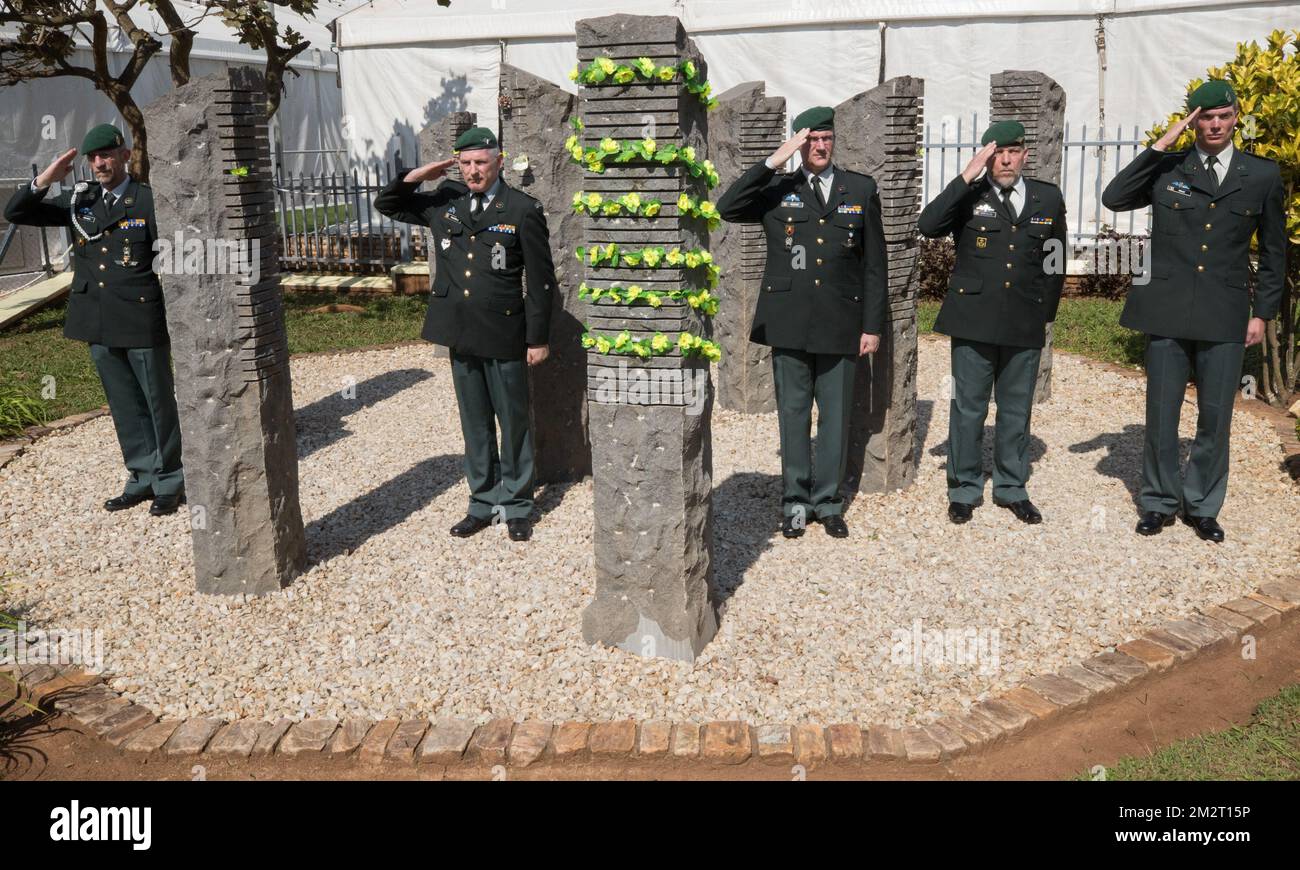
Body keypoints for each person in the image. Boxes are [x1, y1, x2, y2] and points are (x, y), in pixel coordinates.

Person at [1102, 81, 1285, 542]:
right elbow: (1115, 197)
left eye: (1223, 115)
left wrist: (1261, 313)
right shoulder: (1168, 168)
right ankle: (1159, 501)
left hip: (1224, 311)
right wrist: (1161, 144)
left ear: (1236, 116)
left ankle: (1202, 504)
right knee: (1161, 413)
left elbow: (1275, 253)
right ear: (1194, 121)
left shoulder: (1261, 176)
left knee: (1215, 414)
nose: (1215, 124)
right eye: (1205, 117)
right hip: (1165, 307)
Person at [375, 126, 555, 542]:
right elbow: (388, 204)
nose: (473, 171)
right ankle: (481, 501)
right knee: (474, 422)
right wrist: (420, 175)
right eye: (466, 163)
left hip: (504, 330)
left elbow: (541, 280)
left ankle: (517, 505)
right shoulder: (446, 200)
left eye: (481, 163)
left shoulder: (522, 209)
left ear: (499, 161)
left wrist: (537, 338)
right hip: (460, 331)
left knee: (512, 421)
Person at [716, 107, 887, 539]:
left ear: (834, 141)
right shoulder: (777, 189)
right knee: (793, 415)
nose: (820, 146)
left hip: (841, 321)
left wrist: (871, 326)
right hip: (788, 320)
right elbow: (727, 207)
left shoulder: (860, 189)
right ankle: (795, 499)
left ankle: (828, 502)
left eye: (826, 138)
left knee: (836, 415)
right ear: (799, 143)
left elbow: (874, 267)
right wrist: (775, 161)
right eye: (811, 139)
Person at [5, 124, 184, 516]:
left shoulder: (146, 201)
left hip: (139, 315)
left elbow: (173, 261)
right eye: (93, 157)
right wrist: (46, 179)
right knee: (123, 403)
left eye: (106, 154)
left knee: (156, 401)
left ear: (124, 154)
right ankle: (140, 477)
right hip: (98, 319)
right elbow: (15, 211)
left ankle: (170, 479)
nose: (99, 163)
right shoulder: (79, 201)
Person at [918, 120, 1068, 526]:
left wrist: (1045, 314)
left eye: (1012, 151)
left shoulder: (1047, 197)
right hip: (973, 319)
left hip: (1024, 318)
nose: (1005, 159)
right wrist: (968, 174)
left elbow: (1055, 259)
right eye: (996, 152)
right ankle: (964, 488)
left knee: (1016, 409)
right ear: (987, 156)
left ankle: (1011, 487)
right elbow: (928, 225)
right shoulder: (970, 195)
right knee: (968, 408)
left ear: (1024, 154)